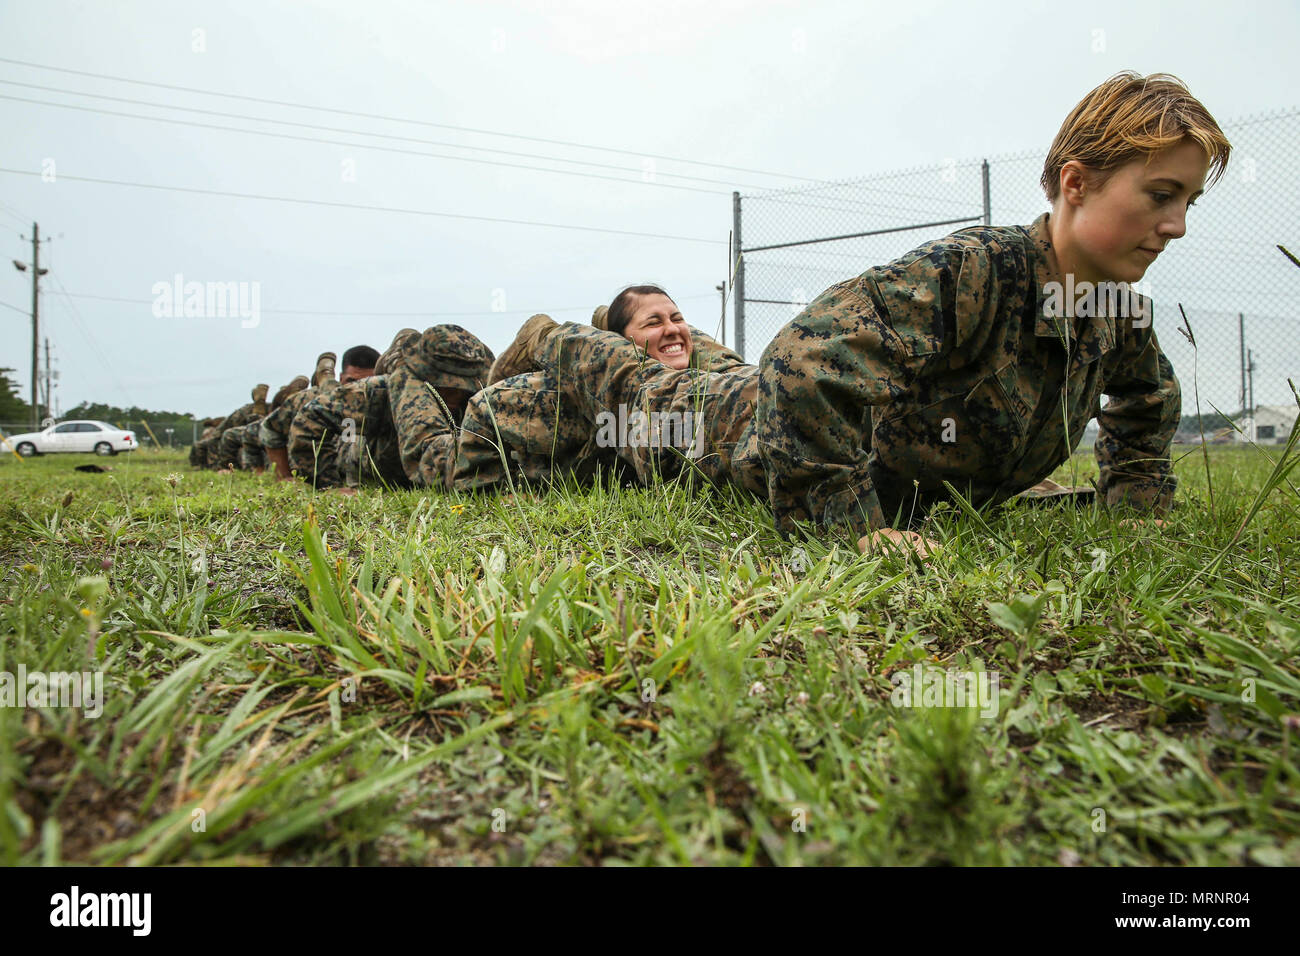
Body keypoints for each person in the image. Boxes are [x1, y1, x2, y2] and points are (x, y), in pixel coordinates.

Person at [744, 71, 1230, 555]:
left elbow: (1149, 400)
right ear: (1077, 183)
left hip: (924, 494)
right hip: (742, 424)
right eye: (1162, 195)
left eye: (1190, 201)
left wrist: (1138, 512)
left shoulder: (1116, 310)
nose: (1178, 226)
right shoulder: (977, 271)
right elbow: (803, 359)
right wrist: (848, 526)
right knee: (673, 399)